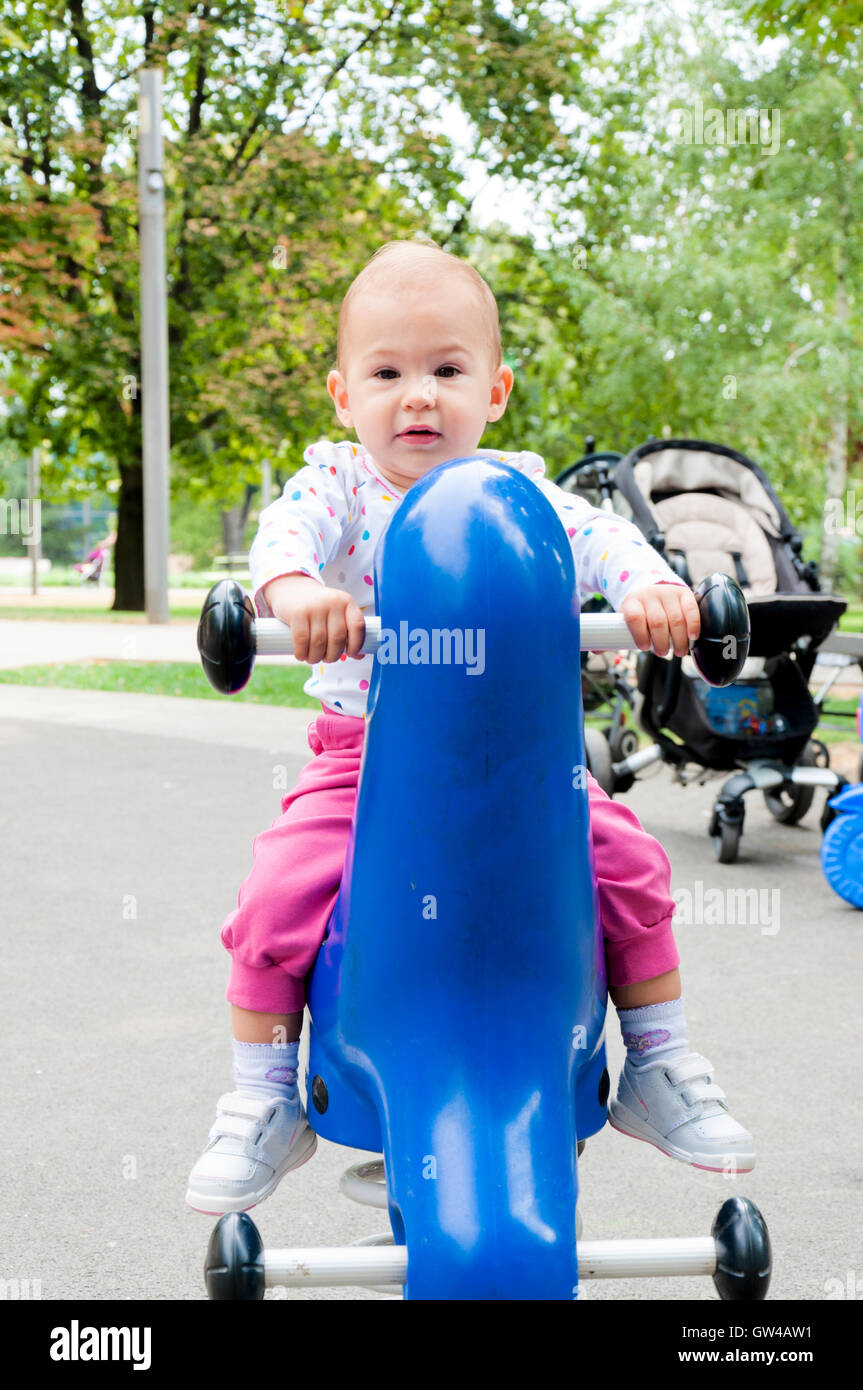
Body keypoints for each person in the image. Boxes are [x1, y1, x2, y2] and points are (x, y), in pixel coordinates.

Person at [186, 240, 755, 1215]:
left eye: (445, 370)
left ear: (492, 391)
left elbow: (604, 536)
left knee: (625, 865)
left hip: (518, 760)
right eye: (387, 372)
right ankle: (262, 1096)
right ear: (341, 394)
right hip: (364, 762)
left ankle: (658, 1062)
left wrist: (651, 587)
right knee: (277, 892)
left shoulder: (517, 496)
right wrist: (295, 593)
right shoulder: (337, 487)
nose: (417, 396)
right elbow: (283, 542)